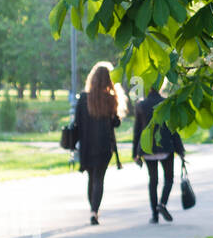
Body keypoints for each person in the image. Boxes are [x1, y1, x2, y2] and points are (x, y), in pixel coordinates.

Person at [72, 62, 127, 226]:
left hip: (87, 145)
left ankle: (93, 210)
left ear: (93, 79)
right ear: (109, 81)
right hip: (104, 146)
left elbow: (77, 123)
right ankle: (94, 211)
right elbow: (116, 123)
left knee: (91, 178)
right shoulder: (110, 99)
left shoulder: (83, 99)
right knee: (99, 179)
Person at [131, 83, 186, 224]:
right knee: (169, 178)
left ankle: (154, 215)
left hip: (147, 147)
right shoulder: (166, 103)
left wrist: (135, 153)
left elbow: (137, 131)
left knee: (153, 181)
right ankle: (162, 204)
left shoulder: (141, 105)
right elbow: (173, 129)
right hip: (166, 147)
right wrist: (180, 149)